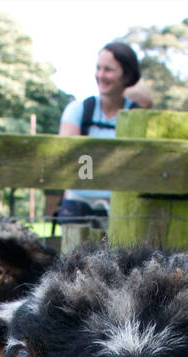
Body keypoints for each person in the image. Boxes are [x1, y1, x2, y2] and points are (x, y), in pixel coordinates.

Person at [56, 42, 147, 227]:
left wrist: (92, 158)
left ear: (127, 75)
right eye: (98, 68)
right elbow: (70, 162)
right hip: (78, 205)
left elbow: (139, 166)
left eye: (108, 70)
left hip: (123, 209)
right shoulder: (78, 110)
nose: (100, 75)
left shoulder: (138, 116)